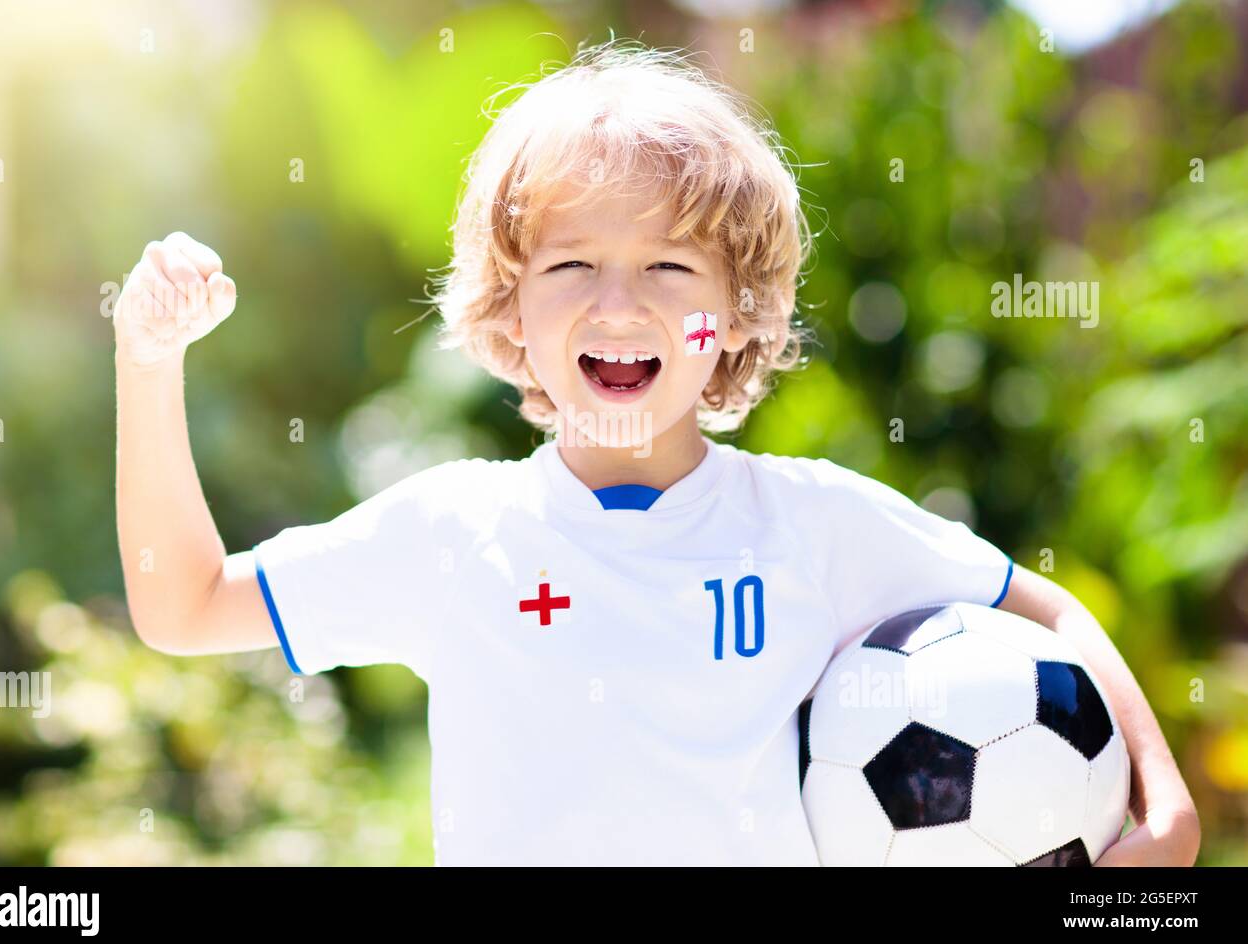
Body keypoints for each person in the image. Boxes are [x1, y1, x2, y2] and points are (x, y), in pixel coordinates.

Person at [112, 40, 1198, 866]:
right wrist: (148, 361)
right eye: (572, 263)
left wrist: (1168, 811)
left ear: (733, 314)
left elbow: (1048, 610)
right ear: (511, 309)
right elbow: (186, 604)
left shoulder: (813, 525)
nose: (619, 304)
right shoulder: (451, 535)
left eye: (671, 269)